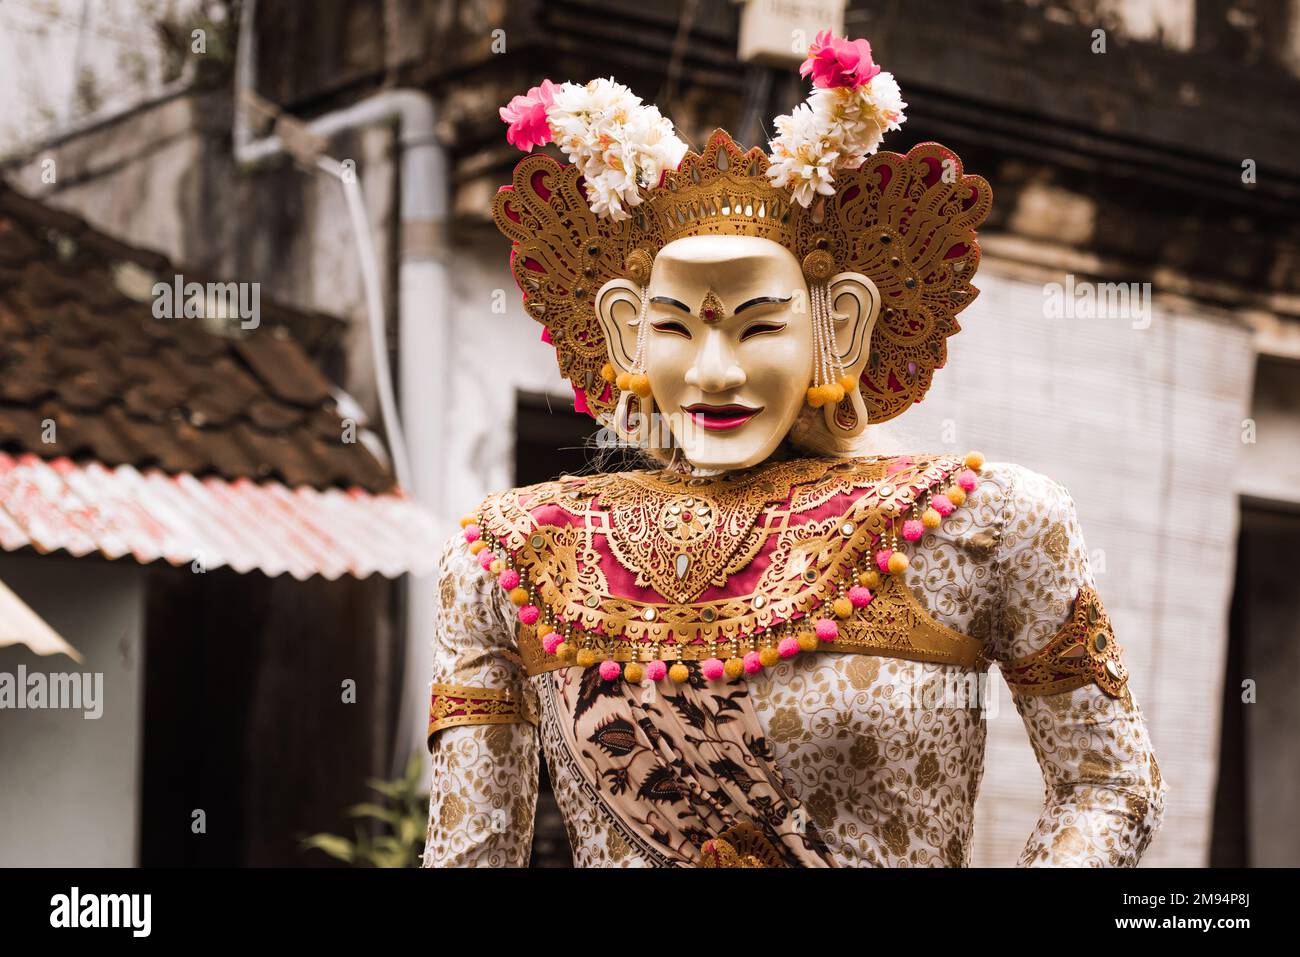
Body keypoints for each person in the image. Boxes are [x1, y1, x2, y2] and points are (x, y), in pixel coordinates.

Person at [421, 32, 1165, 867]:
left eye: (760, 324)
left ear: (836, 325)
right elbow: (467, 853)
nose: (714, 371)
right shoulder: (510, 556)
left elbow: (1109, 785)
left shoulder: (984, 524)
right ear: (626, 333)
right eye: (673, 327)